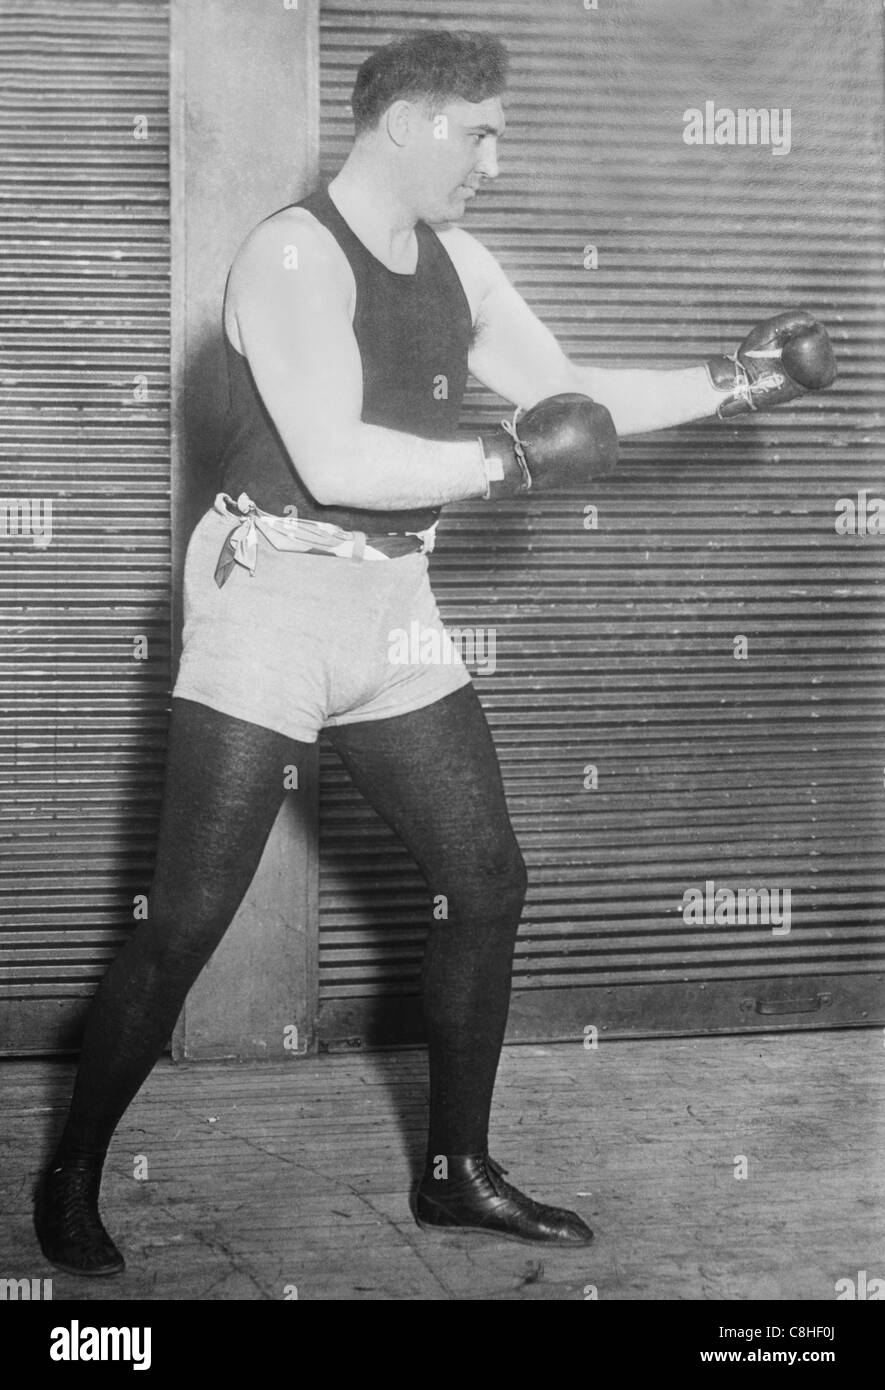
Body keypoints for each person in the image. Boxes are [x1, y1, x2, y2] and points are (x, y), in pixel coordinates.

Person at [34, 28, 836, 1276]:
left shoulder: (457, 260)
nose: (495, 163)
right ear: (406, 124)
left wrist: (741, 379)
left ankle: (455, 1171)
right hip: (272, 598)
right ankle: (75, 1169)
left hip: (391, 604)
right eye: (480, 133)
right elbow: (342, 460)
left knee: (486, 875)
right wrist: (510, 458)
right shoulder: (291, 254)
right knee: (187, 915)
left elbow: (564, 389)